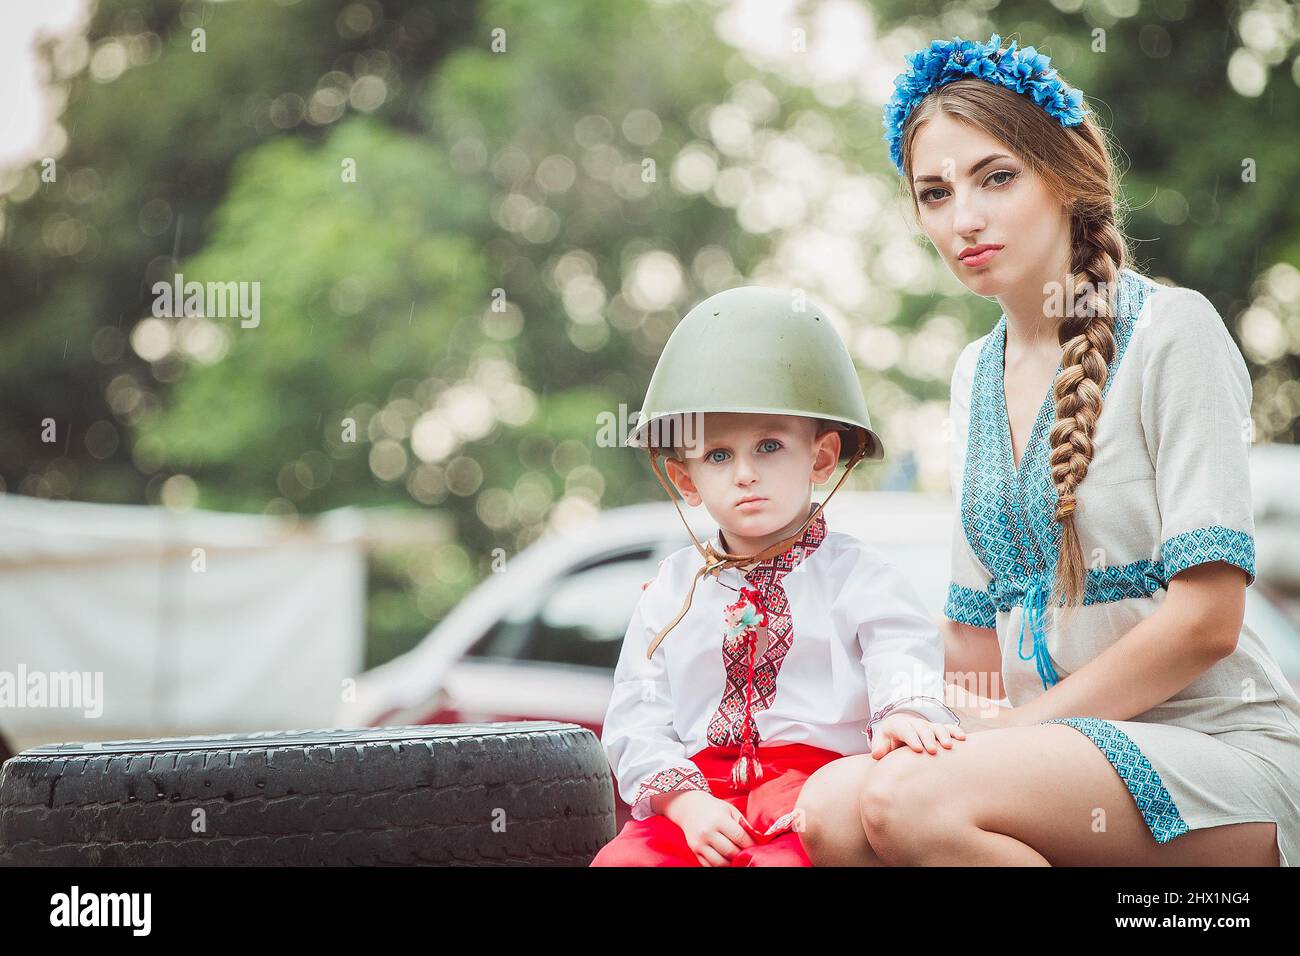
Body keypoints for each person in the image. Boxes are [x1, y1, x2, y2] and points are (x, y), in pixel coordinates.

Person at [794, 33, 1300, 866]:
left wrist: (1016, 733)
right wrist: (948, 726)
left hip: (1218, 758)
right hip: (1047, 756)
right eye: (934, 193)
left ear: (1064, 177)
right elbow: (970, 638)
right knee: (834, 808)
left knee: (913, 801)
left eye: (996, 177)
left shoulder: (1174, 331)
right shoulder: (973, 373)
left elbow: (1208, 618)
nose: (964, 218)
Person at [590, 286, 963, 867]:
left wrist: (905, 712)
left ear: (819, 458)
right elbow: (637, 711)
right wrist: (687, 807)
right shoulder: (671, 587)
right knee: (622, 865)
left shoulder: (857, 575)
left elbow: (900, 649)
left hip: (817, 801)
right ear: (685, 479)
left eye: (769, 445)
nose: (744, 474)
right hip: (699, 802)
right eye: (717, 455)